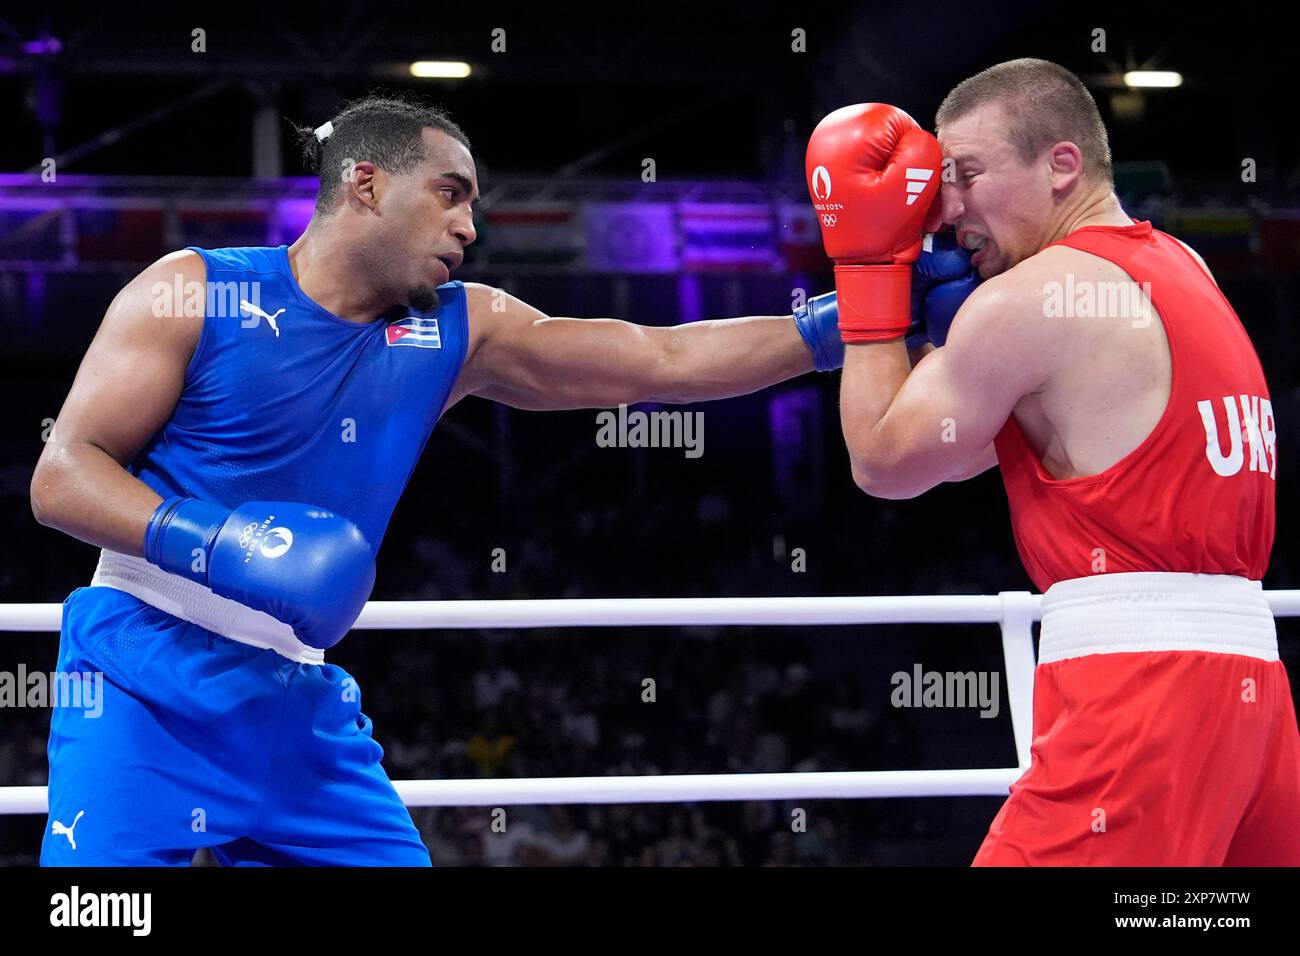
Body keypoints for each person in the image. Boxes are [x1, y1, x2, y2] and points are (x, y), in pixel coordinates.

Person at [30, 93, 864, 866]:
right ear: (364, 183)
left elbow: (664, 359)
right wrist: (218, 541)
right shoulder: (195, 288)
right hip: (142, 668)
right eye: (450, 194)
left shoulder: (460, 327)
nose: (469, 226)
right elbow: (64, 475)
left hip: (295, 695)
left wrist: (850, 324)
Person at [806, 59, 1296, 865]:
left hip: (1139, 693)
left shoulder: (1028, 298)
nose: (947, 207)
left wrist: (870, 279)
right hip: (1253, 697)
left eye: (967, 174)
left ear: (1061, 164)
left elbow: (886, 462)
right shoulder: (1186, 267)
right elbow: (960, 452)